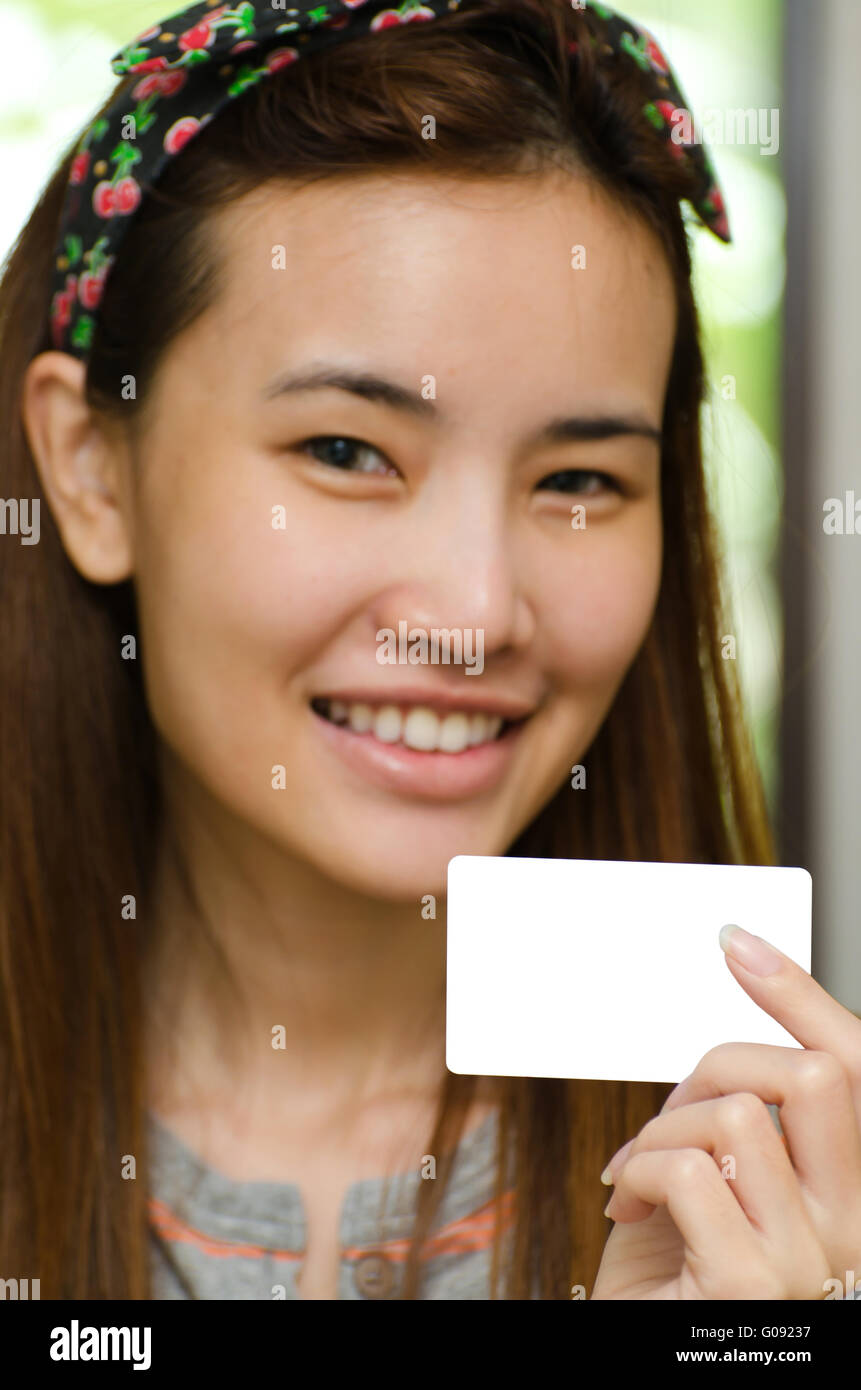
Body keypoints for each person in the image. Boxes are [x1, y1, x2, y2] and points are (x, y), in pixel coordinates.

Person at [2, 0, 859, 1301]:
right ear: (90, 467)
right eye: (345, 453)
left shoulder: (794, 1198)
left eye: (577, 478)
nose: (473, 610)